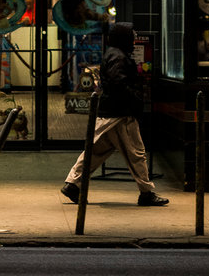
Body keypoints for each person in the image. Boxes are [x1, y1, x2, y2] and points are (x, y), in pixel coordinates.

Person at [60, 22, 169, 207]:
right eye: (131, 35)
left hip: (109, 112)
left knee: (95, 152)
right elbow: (119, 83)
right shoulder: (119, 57)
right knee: (137, 153)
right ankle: (146, 192)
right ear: (124, 37)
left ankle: (72, 183)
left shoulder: (113, 54)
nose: (134, 39)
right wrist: (135, 100)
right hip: (121, 114)